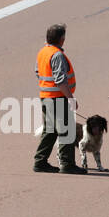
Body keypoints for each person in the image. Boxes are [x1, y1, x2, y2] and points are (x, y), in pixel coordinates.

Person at [34, 23, 85, 174]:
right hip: (58, 98)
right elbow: (60, 80)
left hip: (45, 97)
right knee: (67, 130)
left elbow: (38, 72)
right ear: (62, 39)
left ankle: (40, 162)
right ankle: (67, 163)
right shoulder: (57, 55)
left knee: (50, 131)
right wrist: (70, 98)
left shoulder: (43, 52)